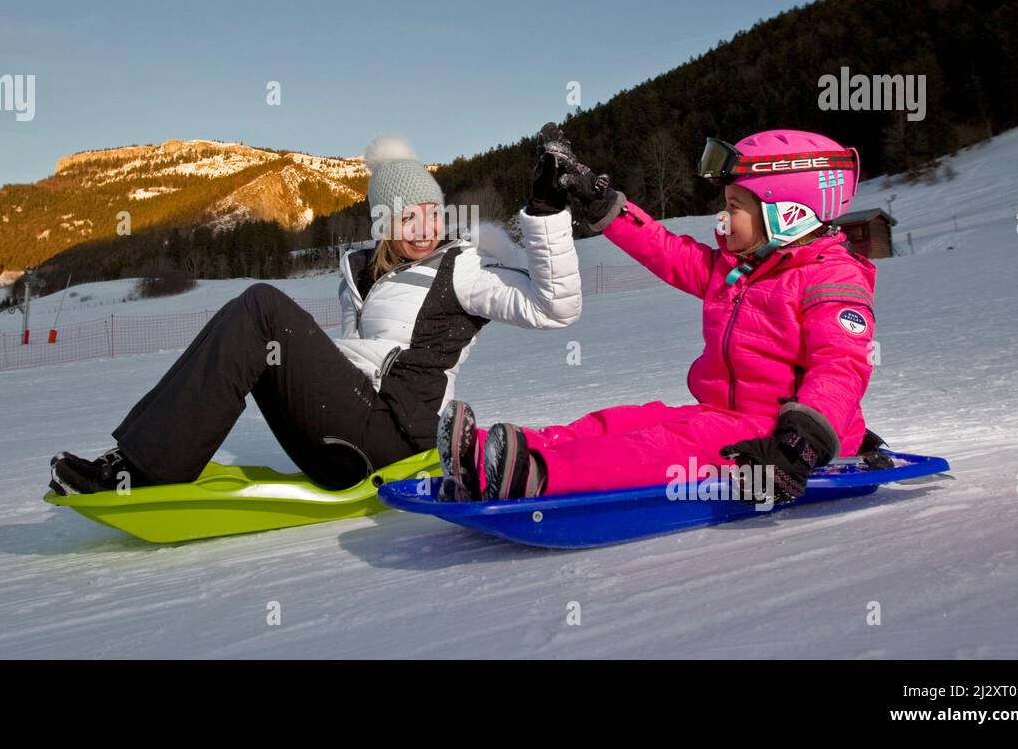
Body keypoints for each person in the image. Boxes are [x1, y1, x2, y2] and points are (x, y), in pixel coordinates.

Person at [50, 126, 582, 494]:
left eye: (428, 213)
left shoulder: (461, 269)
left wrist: (544, 212)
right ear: (382, 225)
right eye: (403, 217)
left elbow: (555, 307)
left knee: (261, 306)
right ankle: (135, 462)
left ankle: (143, 471)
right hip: (342, 434)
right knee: (256, 332)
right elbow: (346, 357)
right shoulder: (359, 274)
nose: (420, 227)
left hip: (394, 441)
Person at [439, 128, 890, 507]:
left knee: (662, 447)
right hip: (726, 416)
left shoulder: (830, 278)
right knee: (627, 422)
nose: (723, 218)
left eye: (735, 207)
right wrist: (599, 200)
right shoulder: (736, 271)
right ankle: (494, 456)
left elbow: (841, 367)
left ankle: (541, 475)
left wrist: (801, 444)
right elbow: (666, 251)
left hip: (778, 438)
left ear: (786, 214)